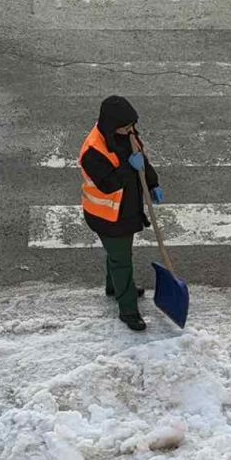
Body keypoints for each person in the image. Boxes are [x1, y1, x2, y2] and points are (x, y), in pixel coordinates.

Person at [79, 95, 163, 332]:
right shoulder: (93, 151)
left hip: (126, 210)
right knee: (122, 261)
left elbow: (142, 160)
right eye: (126, 127)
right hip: (107, 217)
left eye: (131, 125)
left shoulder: (126, 134)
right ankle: (128, 310)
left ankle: (114, 287)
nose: (131, 130)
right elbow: (109, 184)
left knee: (118, 255)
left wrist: (153, 183)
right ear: (112, 125)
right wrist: (129, 166)